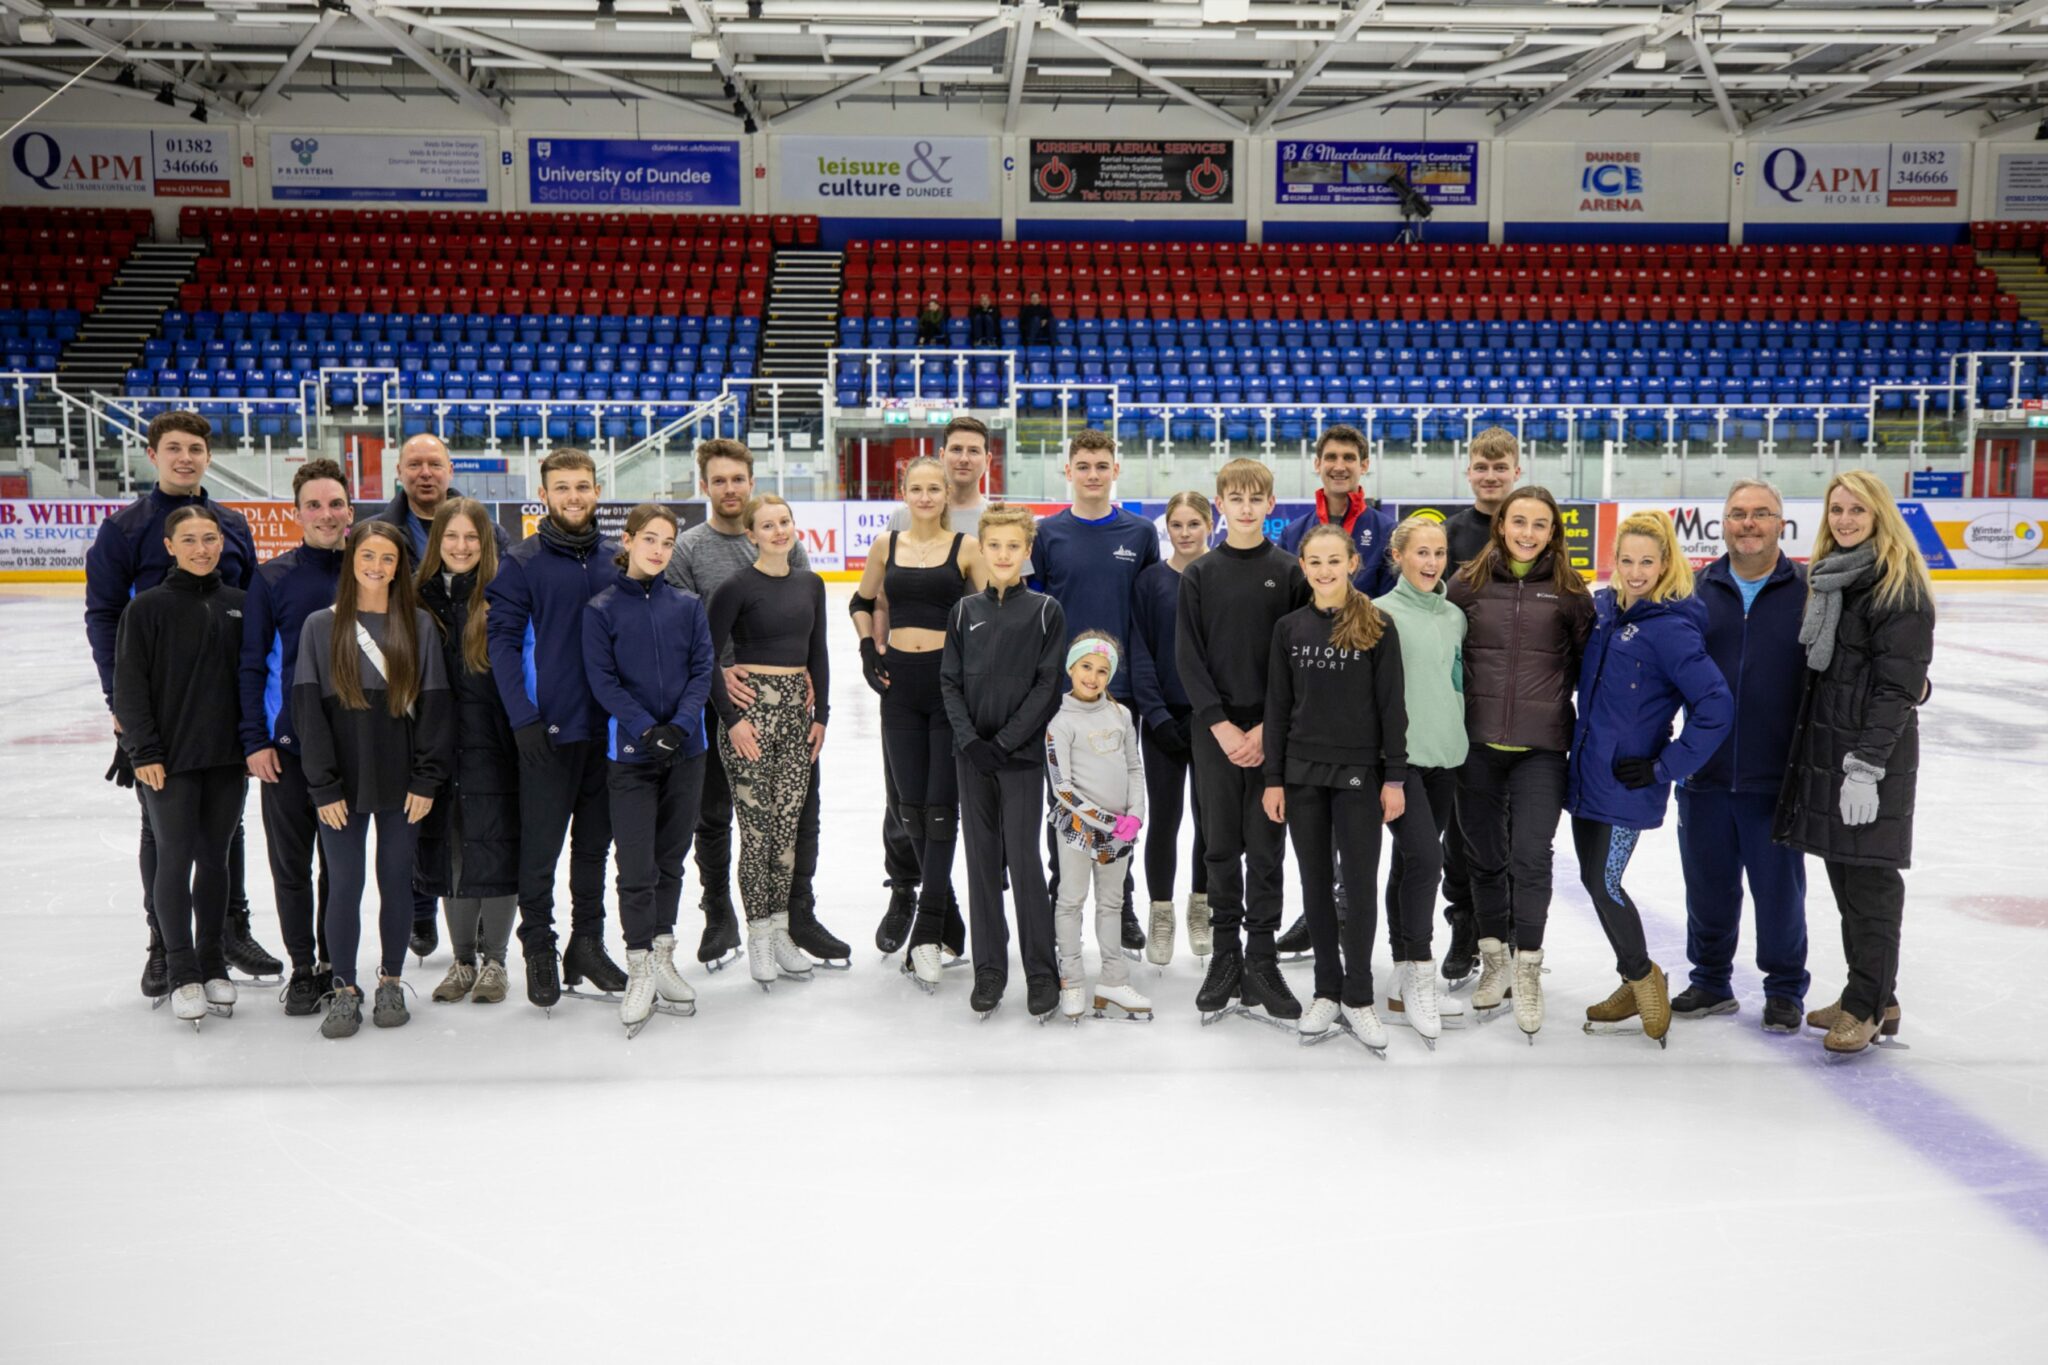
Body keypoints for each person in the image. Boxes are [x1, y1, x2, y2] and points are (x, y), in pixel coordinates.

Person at [86, 410, 275, 996]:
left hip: (223, 709)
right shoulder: (125, 529)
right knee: (161, 830)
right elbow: (105, 615)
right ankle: (164, 946)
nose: (185, 458)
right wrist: (120, 700)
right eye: (173, 448)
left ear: (209, 456)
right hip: (160, 706)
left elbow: (252, 609)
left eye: (195, 448)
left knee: (226, 830)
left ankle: (227, 928)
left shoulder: (233, 524)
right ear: (153, 454)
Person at [1773, 470, 1935, 1057]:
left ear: (1880, 518)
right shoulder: (1834, 580)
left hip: (1871, 760)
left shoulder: (1897, 586)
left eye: (1857, 512)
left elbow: (1898, 688)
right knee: (1846, 880)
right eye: (1836, 510)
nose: (1843, 520)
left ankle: (1864, 1008)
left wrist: (1866, 766)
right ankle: (1873, 994)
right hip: (1831, 752)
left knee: (1870, 883)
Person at [668, 439, 844, 970]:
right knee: (717, 813)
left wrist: (817, 699)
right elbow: (684, 628)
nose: (729, 489)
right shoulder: (690, 549)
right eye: (718, 480)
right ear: (705, 486)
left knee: (797, 816)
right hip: (720, 700)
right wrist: (720, 679)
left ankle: (795, 915)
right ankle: (721, 912)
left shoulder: (796, 562)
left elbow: (809, 629)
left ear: (750, 481)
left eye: (737, 480)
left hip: (789, 707)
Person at [1566, 512, 1733, 1049]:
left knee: (1605, 882)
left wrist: (1667, 766)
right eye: (1628, 560)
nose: (1635, 572)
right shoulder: (1604, 610)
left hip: (1627, 782)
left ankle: (1643, 978)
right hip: (1587, 774)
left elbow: (1715, 705)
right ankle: (1632, 976)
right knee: (1595, 882)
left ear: (1666, 565)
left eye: (1647, 562)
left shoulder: (1672, 629)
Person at [293, 521, 452, 1039]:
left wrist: (427, 779)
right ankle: (344, 986)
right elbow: (308, 713)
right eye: (368, 555)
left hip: (403, 778)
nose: (377, 567)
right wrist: (323, 786)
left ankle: (390, 978)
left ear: (400, 566)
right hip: (341, 780)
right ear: (351, 558)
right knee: (344, 883)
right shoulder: (321, 626)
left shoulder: (420, 627)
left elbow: (434, 710)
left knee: (395, 878)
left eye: (388, 558)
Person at [1447, 484, 1595, 1040]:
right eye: (1518, 522)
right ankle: (1496, 961)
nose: (1527, 533)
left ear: (1553, 531)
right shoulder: (1466, 584)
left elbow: (1586, 668)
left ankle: (1528, 966)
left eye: (1540, 524)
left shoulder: (1570, 591)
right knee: (1483, 858)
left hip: (1541, 749)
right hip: (1477, 747)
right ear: (1501, 525)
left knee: (1531, 857)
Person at [485, 447, 626, 1008]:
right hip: (547, 732)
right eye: (562, 487)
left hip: (608, 733)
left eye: (583, 486)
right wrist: (523, 718)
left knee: (595, 848)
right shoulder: (522, 563)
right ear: (542, 495)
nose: (574, 496)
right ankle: (539, 948)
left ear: (597, 492)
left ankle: (586, 943)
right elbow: (500, 644)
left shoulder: (617, 558)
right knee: (540, 850)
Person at [1261, 523, 1405, 1052]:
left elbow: (1392, 708)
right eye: (1314, 562)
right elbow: (1276, 710)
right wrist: (1273, 778)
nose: (1324, 570)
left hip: (1360, 776)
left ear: (1352, 564)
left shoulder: (1378, 626)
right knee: (1316, 884)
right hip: (1300, 775)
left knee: (1360, 887)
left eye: (1333, 561)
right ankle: (1326, 988)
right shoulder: (1289, 630)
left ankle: (1359, 995)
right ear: (1303, 568)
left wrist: (1394, 777)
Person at [1674, 480, 1812, 1033]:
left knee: (1780, 891)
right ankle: (1710, 980)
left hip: (1777, 774)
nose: (1748, 523)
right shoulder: (1695, 589)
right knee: (1707, 885)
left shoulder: (1808, 589)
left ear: (1782, 524)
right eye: (1737, 514)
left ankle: (1783, 989)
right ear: (1722, 524)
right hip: (1704, 772)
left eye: (1761, 514)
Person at [1177, 458, 1310, 1025]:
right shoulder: (1200, 574)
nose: (1246, 507)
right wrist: (1221, 724)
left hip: (1271, 734)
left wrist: (1265, 728)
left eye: (1257, 498)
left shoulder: (1289, 572)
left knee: (1267, 847)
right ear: (1220, 505)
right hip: (1216, 735)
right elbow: (1189, 656)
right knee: (1219, 846)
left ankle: (1262, 956)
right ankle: (1225, 956)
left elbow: (1298, 659)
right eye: (1236, 498)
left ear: (1271, 505)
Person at [871, 416, 1005, 952]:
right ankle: (910, 889)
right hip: (905, 676)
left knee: (957, 792)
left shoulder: (995, 519)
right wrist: (878, 655)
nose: (964, 458)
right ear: (942, 455)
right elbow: (881, 597)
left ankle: (964, 893)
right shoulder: (906, 516)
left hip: (963, 681)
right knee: (902, 792)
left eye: (974, 450)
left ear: (985, 460)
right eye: (956, 449)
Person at [112, 505, 250, 1028]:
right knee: (174, 858)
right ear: (170, 546)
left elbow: (251, 680)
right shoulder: (146, 609)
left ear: (222, 543)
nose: (201, 548)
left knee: (215, 859)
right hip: (167, 761)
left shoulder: (239, 604)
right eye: (189, 539)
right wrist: (143, 752)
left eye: (210, 538)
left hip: (225, 758)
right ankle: (182, 970)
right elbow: (130, 688)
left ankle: (213, 962)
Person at [584, 504, 717, 1035]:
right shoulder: (601, 609)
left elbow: (703, 667)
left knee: (671, 860)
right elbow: (603, 679)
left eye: (667, 542)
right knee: (636, 865)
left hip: (687, 752)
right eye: (650, 540)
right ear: (630, 540)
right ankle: (639, 962)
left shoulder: (687, 605)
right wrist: (645, 729)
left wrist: (681, 726)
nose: (659, 550)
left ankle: (663, 951)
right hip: (633, 757)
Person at [853, 456, 985, 989]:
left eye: (935, 489)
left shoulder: (967, 548)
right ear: (903, 493)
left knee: (938, 810)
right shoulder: (888, 545)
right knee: (907, 806)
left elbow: (988, 612)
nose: (926, 496)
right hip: (900, 684)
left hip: (947, 683)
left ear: (946, 496)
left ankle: (928, 931)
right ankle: (945, 910)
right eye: (917, 488)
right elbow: (862, 601)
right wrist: (867, 647)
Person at [1271, 422, 1398, 956]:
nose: (1339, 464)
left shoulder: (1383, 528)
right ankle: (1321, 911)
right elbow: (1290, 616)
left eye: (1349, 456)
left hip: (1364, 695)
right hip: (1312, 697)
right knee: (1315, 833)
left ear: (1364, 464)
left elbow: (1390, 607)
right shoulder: (1296, 528)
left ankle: (1350, 914)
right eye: (1331, 457)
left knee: (1356, 832)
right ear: (1317, 465)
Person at [1031, 429, 1159, 954]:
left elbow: (1150, 611)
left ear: (1115, 470)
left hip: (1120, 695)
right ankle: (1060, 899)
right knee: (1061, 800)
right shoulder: (1048, 534)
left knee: (1117, 800)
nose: (1092, 474)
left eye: (1101, 465)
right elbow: (1034, 614)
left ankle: (1121, 900)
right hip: (1060, 699)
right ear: (1068, 471)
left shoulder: (1142, 532)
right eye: (1082, 465)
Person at [941, 505, 1067, 1021]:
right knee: (981, 864)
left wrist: (1008, 741)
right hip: (972, 758)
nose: (1003, 554)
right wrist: (971, 742)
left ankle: (1040, 971)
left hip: (1019, 760)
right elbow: (949, 681)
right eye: (994, 545)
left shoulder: (1044, 610)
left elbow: (1046, 685)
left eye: (1013, 546)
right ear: (982, 548)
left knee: (1025, 861)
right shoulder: (964, 611)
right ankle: (989, 969)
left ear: (1027, 551)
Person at [706, 494, 831, 992]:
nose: (779, 531)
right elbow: (706, 657)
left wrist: (821, 717)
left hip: (796, 718)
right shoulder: (735, 587)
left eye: (785, 522)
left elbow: (817, 651)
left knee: (786, 832)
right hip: (751, 717)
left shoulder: (811, 584)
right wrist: (732, 717)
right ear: (751, 534)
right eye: (767, 525)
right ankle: (757, 931)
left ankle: (780, 929)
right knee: (757, 833)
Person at [240, 458, 351, 1015]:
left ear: (349, 509)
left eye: (335, 503)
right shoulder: (274, 577)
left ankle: (334, 962)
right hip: (287, 752)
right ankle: (304, 967)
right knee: (292, 866)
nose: (326, 514)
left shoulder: (370, 570)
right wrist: (255, 740)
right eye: (314, 504)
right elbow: (252, 664)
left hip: (350, 752)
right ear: (296, 512)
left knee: (339, 868)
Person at [415, 499, 521, 1006]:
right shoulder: (417, 599)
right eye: (451, 537)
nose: (460, 547)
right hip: (437, 748)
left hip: (494, 746)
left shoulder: (503, 598)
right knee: (451, 850)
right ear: (437, 542)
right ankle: (462, 960)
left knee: (496, 846)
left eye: (471, 539)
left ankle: (495, 960)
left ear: (487, 544)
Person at [1373, 515, 1469, 1043]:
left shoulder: (1455, 616)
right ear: (1399, 557)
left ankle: (1399, 974)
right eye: (1420, 553)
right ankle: (1420, 970)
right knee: (1427, 862)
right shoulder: (1378, 615)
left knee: (1410, 861)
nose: (1431, 562)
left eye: (1438, 553)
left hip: (1445, 758)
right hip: (1399, 762)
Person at [1437, 425, 1522, 984]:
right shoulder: (1450, 533)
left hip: (1517, 707)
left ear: (1517, 470)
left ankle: (1512, 934)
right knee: (1460, 829)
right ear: (1468, 472)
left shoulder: (1531, 526)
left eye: (1501, 467)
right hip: (1458, 704)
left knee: (1512, 831)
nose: (1490, 476)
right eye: (1481, 467)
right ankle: (1464, 926)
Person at [1046, 630, 1151, 1022]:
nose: (1093, 676)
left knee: (1112, 903)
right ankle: (1071, 978)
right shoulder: (1060, 723)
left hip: (1120, 831)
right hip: (1077, 831)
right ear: (1071, 667)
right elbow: (1062, 790)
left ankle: (1112, 978)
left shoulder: (1121, 715)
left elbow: (1134, 766)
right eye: (1086, 667)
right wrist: (1109, 821)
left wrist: (1136, 814)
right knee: (1071, 901)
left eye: (1103, 670)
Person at [1129, 490, 1210, 965]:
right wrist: (1156, 716)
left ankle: (1201, 906)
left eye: (1193, 524)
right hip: (1160, 721)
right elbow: (1140, 650)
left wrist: (1209, 714)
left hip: (1209, 721)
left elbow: (1224, 656)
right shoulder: (1150, 582)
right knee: (1164, 818)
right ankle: (1161, 911)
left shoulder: (1217, 577)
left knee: (1209, 820)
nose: (1184, 533)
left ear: (1209, 525)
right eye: (1176, 525)